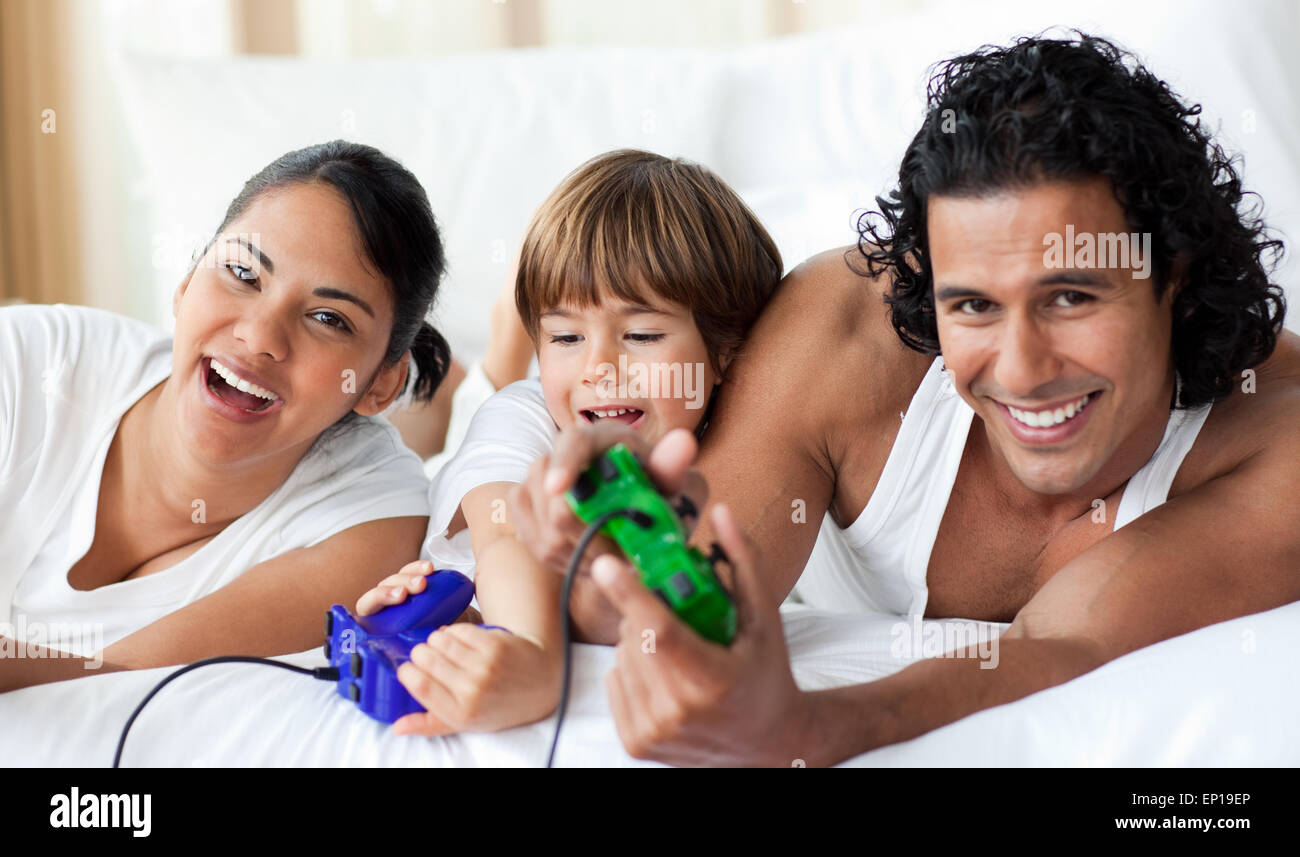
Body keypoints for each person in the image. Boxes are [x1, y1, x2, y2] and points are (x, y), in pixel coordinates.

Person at [506, 34, 1300, 765]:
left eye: (1070, 297)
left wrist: (804, 728)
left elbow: (1063, 647)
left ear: (1176, 273)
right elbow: (687, 596)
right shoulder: (843, 331)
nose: (1022, 372)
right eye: (974, 306)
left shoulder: (1275, 437)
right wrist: (606, 560)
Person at [354, 149, 784, 735]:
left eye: (641, 333)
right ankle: (503, 341)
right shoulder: (528, 416)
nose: (598, 367)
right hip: (477, 455)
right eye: (564, 337)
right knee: (466, 405)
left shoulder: (752, 445)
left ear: (726, 353)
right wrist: (530, 657)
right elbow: (508, 535)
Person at [0, 140, 452, 691]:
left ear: (382, 382)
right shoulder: (31, 364)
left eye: (329, 318)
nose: (259, 336)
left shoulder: (373, 523)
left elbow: (113, 683)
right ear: (188, 280)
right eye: (242, 271)